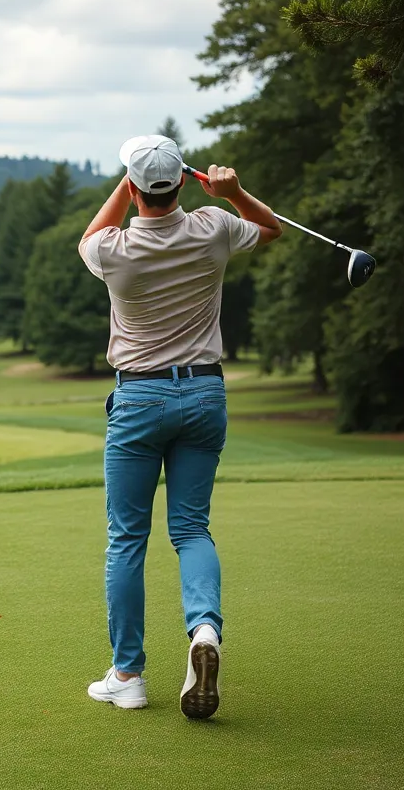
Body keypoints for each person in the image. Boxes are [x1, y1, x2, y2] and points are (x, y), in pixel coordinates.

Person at [80, 135, 282, 719]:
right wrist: (234, 191)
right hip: (203, 393)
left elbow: (89, 237)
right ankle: (204, 633)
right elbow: (271, 231)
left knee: (127, 539)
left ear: (136, 188)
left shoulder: (114, 250)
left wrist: (129, 180)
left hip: (139, 398)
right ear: (180, 183)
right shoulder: (215, 226)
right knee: (191, 528)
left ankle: (129, 675)